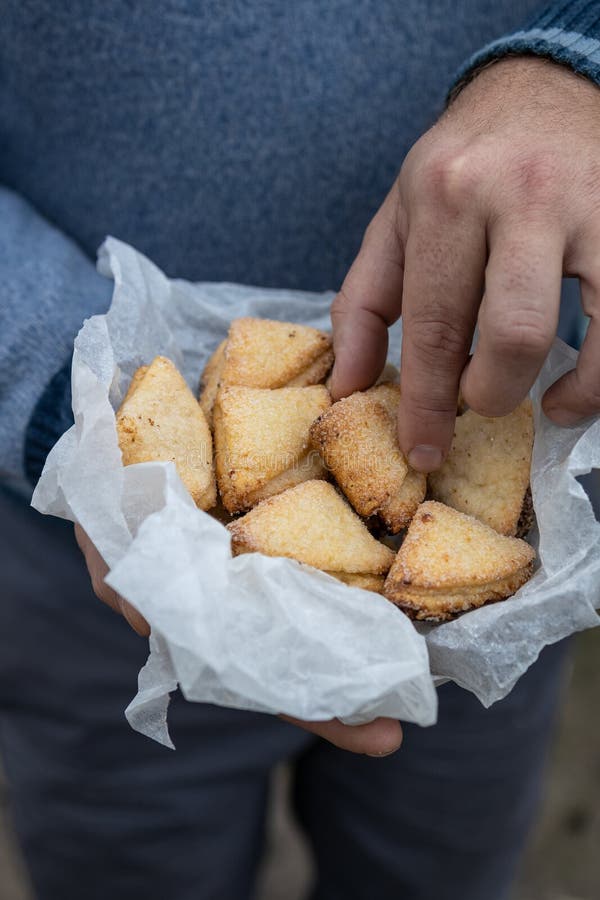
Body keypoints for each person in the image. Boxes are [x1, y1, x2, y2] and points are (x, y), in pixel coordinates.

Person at [0, 2, 597, 898]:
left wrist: (578, 55)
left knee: (439, 872)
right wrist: (61, 388)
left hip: (475, 581)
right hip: (87, 575)